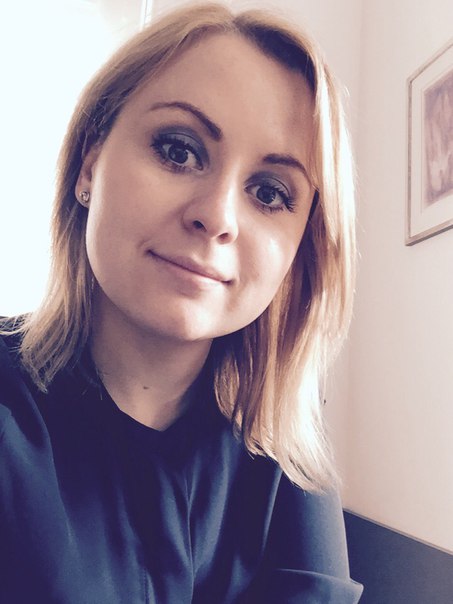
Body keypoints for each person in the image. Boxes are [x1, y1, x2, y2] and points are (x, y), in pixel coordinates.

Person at [0, 2, 363, 602]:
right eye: (178, 150)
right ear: (90, 163)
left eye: (270, 192)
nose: (217, 216)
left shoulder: (283, 448)